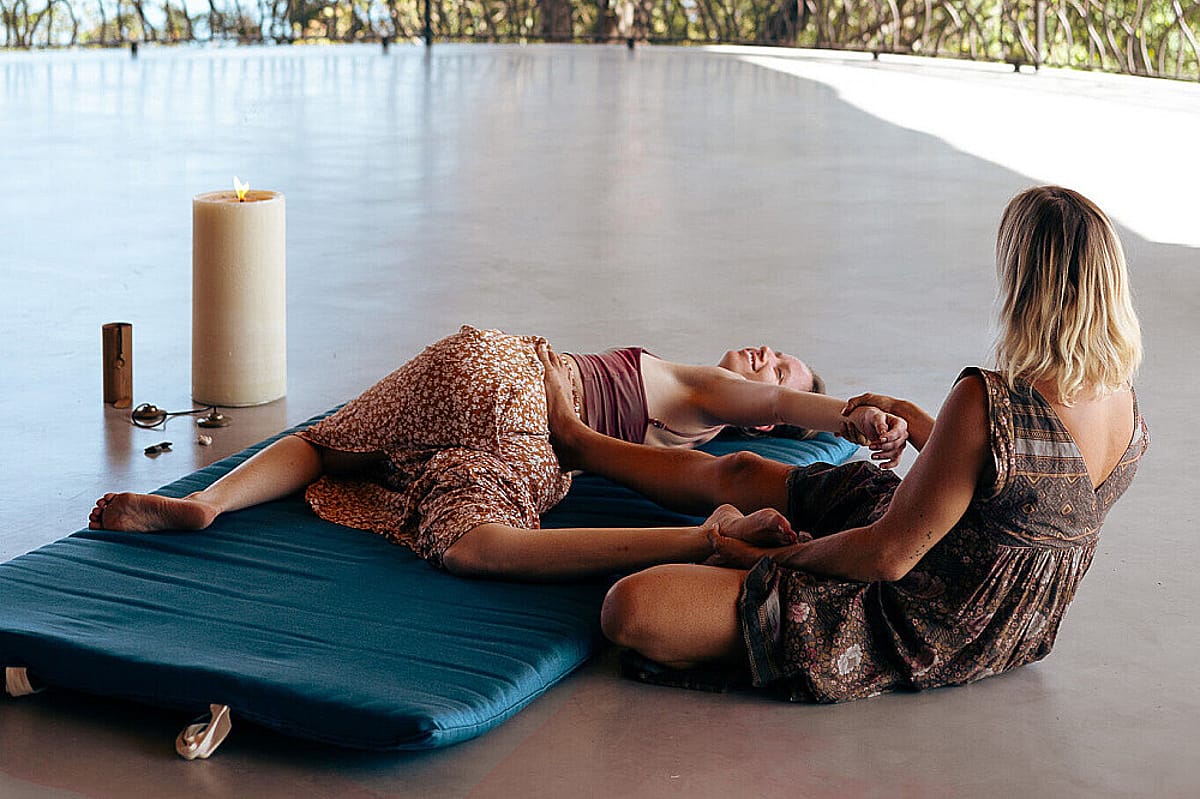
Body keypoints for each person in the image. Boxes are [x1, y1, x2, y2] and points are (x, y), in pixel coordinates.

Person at [540, 185, 1148, 700]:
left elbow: (885, 559)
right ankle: (582, 446)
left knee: (632, 607)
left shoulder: (989, 398)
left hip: (916, 617)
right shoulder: (1125, 406)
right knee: (745, 469)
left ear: (1027, 288)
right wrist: (913, 417)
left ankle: (715, 577)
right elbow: (1027, 495)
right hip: (1007, 619)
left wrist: (766, 559)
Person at [89, 325, 906, 580]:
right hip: (519, 406)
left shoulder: (710, 406)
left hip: (485, 359)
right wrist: (851, 408)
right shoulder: (681, 390)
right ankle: (707, 543)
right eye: (772, 353)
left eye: (782, 363)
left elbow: (768, 407)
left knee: (330, 443)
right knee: (473, 545)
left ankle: (210, 502)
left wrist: (848, 410)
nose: (765, 357)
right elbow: (753, 419)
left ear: (768, 429)